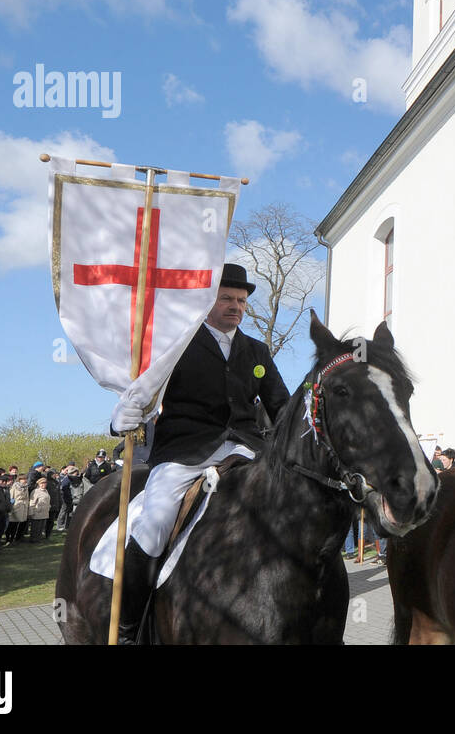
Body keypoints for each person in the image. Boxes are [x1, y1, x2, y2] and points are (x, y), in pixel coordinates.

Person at [109, 262, 290, 644]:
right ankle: (128, 630)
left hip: (246, 449)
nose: (235, 306)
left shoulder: (257, 351)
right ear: (209, 300)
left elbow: (282, 409)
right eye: (226, 298)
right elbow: (142, 394)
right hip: (186, 451)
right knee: (155, 524)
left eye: (241, 300)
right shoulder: (178, 344)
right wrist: (121, 417)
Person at [28, 477, 50, 543]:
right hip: (37, 512)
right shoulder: (35, 491)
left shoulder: (46, 491)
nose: (44, 484)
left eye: (45, 483)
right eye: (42, 483)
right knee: (35, 527)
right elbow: (32, 502)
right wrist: (31, 513)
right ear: (39, 484)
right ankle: (33, 539)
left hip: (44, 512)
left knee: (41, 527)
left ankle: (38, 539)